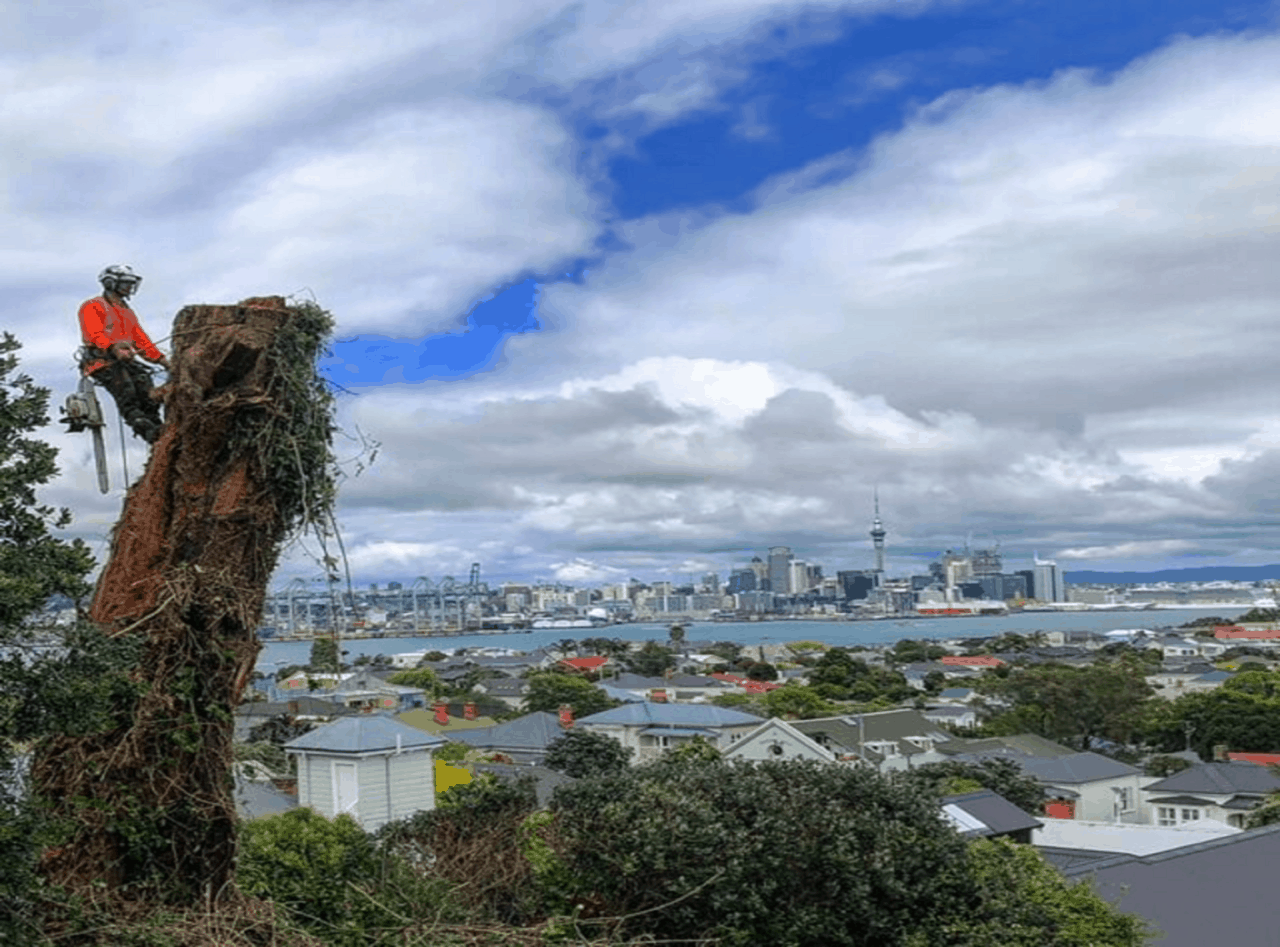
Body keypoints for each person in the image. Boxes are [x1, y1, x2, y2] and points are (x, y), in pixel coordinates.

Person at [74, 265, 170, 444]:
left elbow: (142, 341)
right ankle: (152, 435)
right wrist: (113, 347)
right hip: (102, 361)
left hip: (126, 362)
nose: (128, 287)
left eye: (130, 283)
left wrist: (164, 362)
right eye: (125, 283)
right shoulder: (92, 306)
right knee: (129, 395)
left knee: (149, 395)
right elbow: (94, 335)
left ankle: (160, 433)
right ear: (110, 283)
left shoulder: (126, 311)